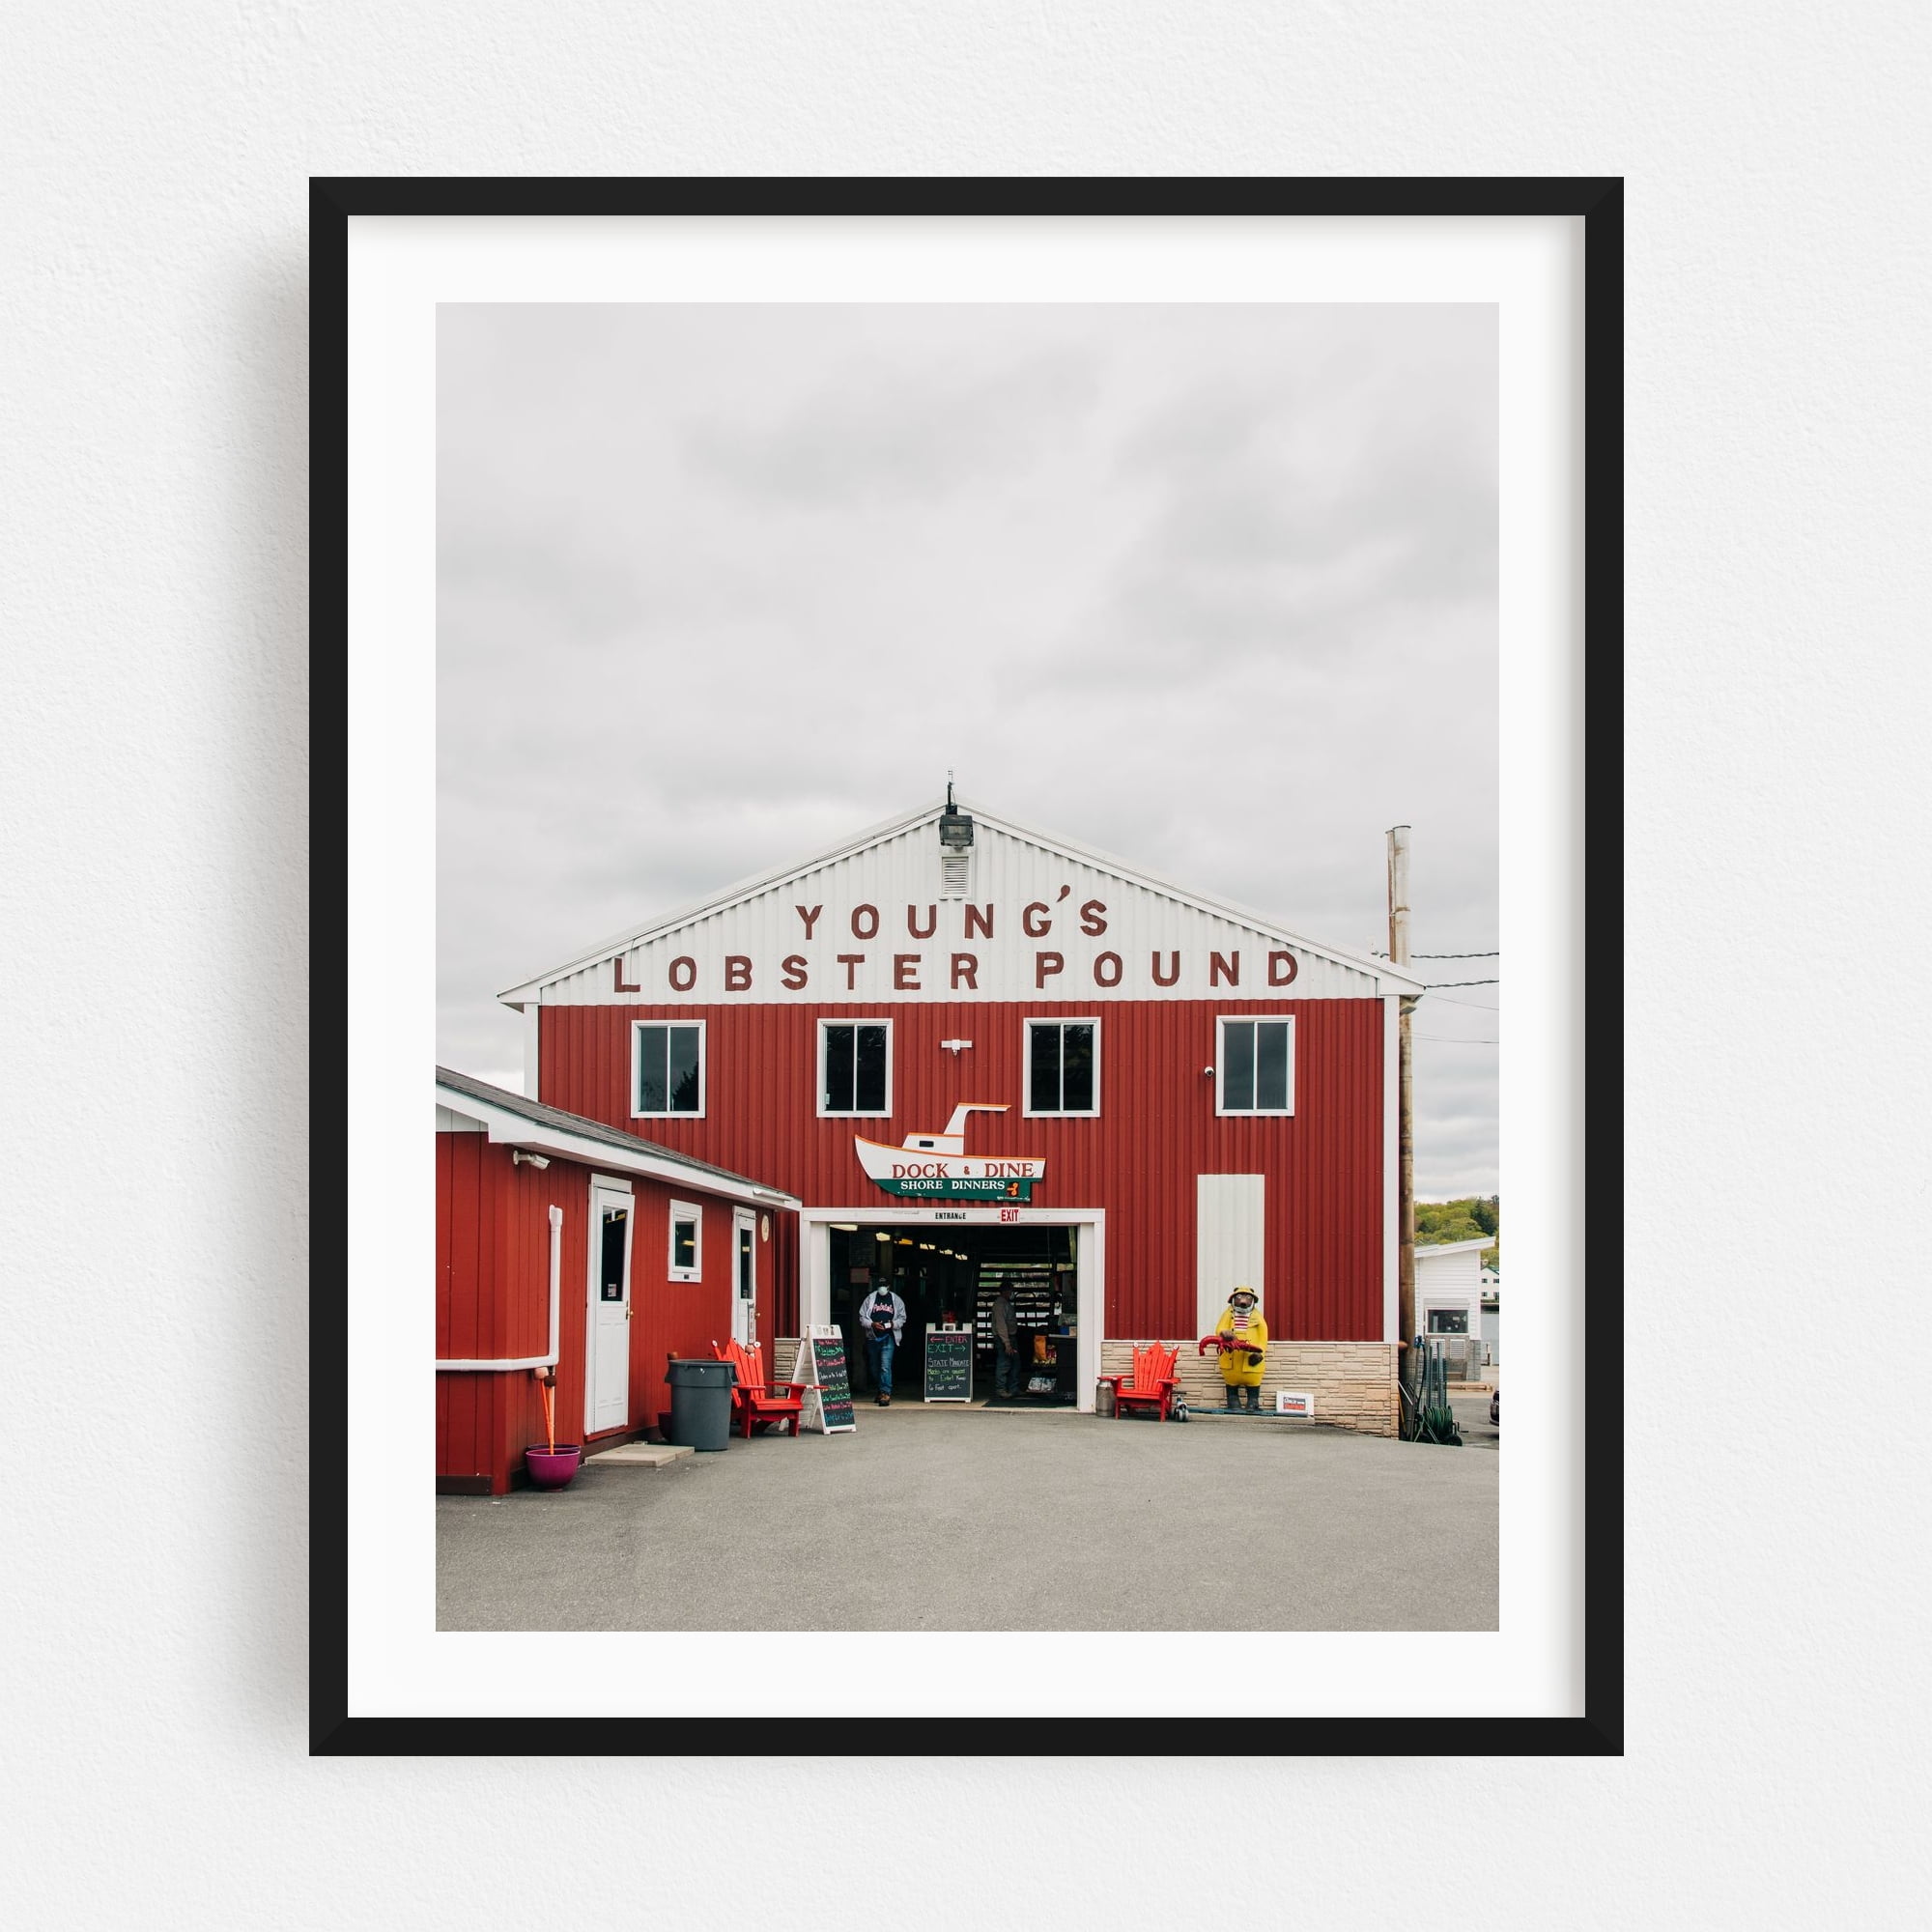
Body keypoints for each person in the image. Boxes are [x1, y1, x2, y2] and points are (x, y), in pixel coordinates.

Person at [1212, 1286, 1268, 1411]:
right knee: (1231, 1382)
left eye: (1248, 1298)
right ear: (1233, 1299)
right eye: (1239, 1297)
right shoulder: (1228, 1314)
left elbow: (1263, 1337)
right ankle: (1233, 1401)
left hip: (1251, 1357)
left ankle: (1253, 1402)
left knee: (1253, 1381)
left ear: (1253, 1300)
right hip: (1231, 1356)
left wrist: (1261, 1353)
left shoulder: (1258, 1317)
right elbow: (1219, 1329)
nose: (1243, 1301)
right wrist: (1224, 1332)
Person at [859, 1280, 907, 1406]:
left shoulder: (896, 1300)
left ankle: (886, 1393)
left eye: (884, 1286)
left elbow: (902, 1318)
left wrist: (892, 1324)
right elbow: (862, 1317)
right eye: (879, 1286)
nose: (881, 1288)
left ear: (888, 1286)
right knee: (874, 1366)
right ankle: (880, 1390)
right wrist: (872, 1324)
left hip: (888, 1336)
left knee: (885, 1365)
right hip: (873, 1337)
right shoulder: (870, 1298)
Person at [990, 1285, 1022, 1399]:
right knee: (1004, 1363)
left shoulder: (1006, 1304)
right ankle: (1001, 1389)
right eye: (1011, 1291)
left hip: (1010, 1337)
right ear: (1005, 1291)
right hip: (1004, 1338)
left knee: (1015, 1363)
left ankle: (1014, 1388)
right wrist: (1006, 1343)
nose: (1012, 1293)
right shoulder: (1000, 1305)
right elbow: (1001, 1325)